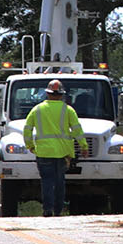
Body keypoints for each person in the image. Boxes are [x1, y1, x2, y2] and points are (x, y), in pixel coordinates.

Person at [24, 78, 85, 217]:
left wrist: (30, 146)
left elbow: (27, 130)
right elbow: (77, 130)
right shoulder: (68, 110)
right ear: (62, 94)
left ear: (47, 93)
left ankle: (47, 210)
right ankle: (58, 211)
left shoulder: (37, 109)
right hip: (63, 153)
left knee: (46, 182)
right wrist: (84, 146)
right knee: (59, 182)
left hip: (44, 152)